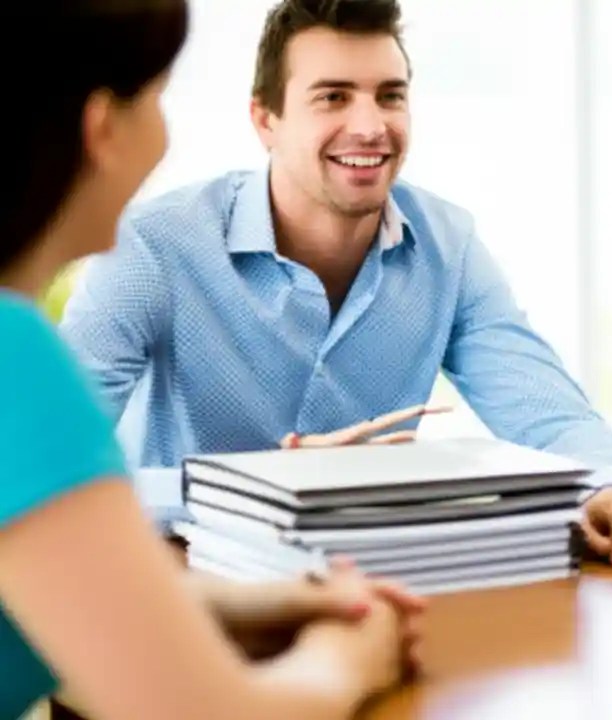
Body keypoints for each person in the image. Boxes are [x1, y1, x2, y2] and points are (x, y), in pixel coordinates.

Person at [60, 0, 612, 569]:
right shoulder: (153, 246)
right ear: (265, 119)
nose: (370, 126)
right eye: (332, 97)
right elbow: (44, 469)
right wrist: (257, 486)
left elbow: (551, 412)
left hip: (369, 591)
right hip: (177, 587)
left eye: (389, 96)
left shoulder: (450, 247)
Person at [0, 2, 430, 718]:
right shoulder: (19, 366)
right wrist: (346, 657)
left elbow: (71, 578)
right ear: (102, 128)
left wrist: (264, 601)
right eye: (158, 99)